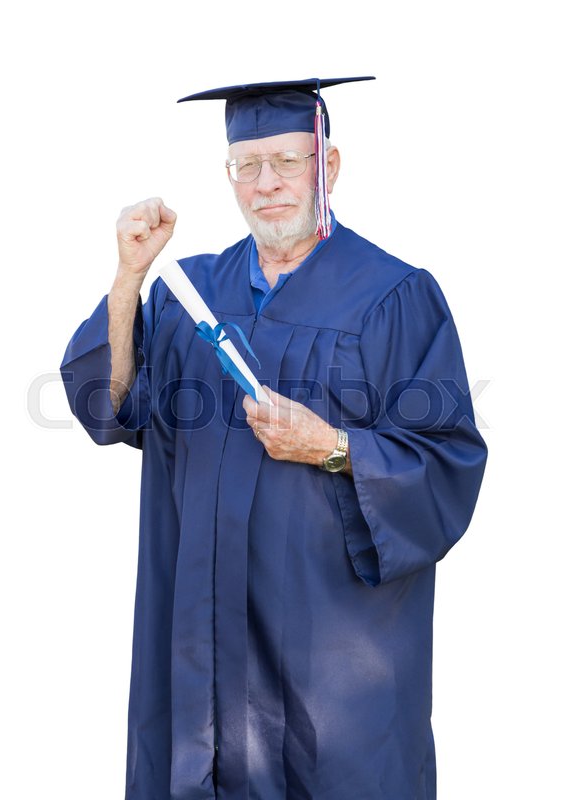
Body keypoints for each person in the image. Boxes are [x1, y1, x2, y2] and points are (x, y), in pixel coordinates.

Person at [61, 77, 487, 800]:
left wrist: (332, 446)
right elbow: (112, 408)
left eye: (288, 162)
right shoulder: (189, 291)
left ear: (330, 165)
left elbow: (447, 462)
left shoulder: (394, 296)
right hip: (203, 647)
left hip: (333, 667)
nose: (266, 185)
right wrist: (129, 279)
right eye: (246, 166)